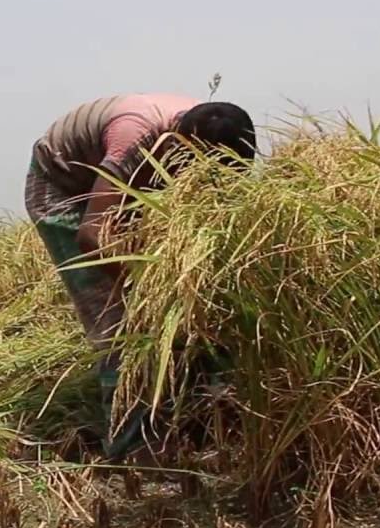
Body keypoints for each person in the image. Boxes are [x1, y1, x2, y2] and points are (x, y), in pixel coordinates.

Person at [24, 94, 256, 461]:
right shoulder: (135, 136)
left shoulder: (218, 132)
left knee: (195, 300)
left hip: (130, 185)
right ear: (183, 148)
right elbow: (91, 236)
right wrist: (144, 289)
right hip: (64, 187)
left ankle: (199, 410)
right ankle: (130, 446)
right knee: (118, 320)